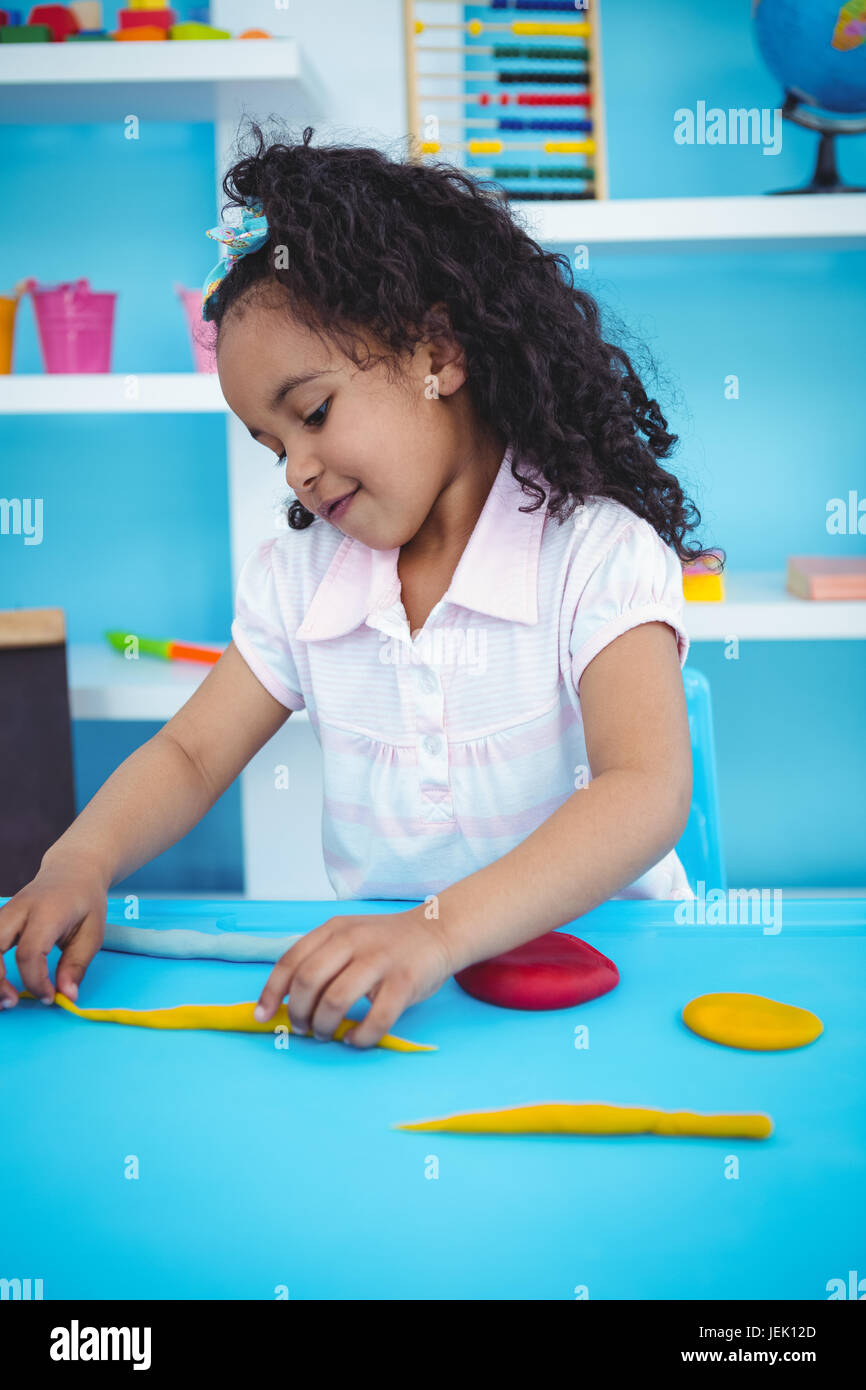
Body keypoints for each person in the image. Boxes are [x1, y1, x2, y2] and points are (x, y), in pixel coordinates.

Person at [0, 123, 722, 1047]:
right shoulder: (301, 576)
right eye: (273, 446)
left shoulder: (596, 552)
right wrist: (77, 863)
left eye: (314, 413)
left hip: (613, 986)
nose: (298, 469)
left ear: (436, 355)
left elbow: (643, 789)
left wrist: (437, 933)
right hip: (394, 1003)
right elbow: (190, 756)